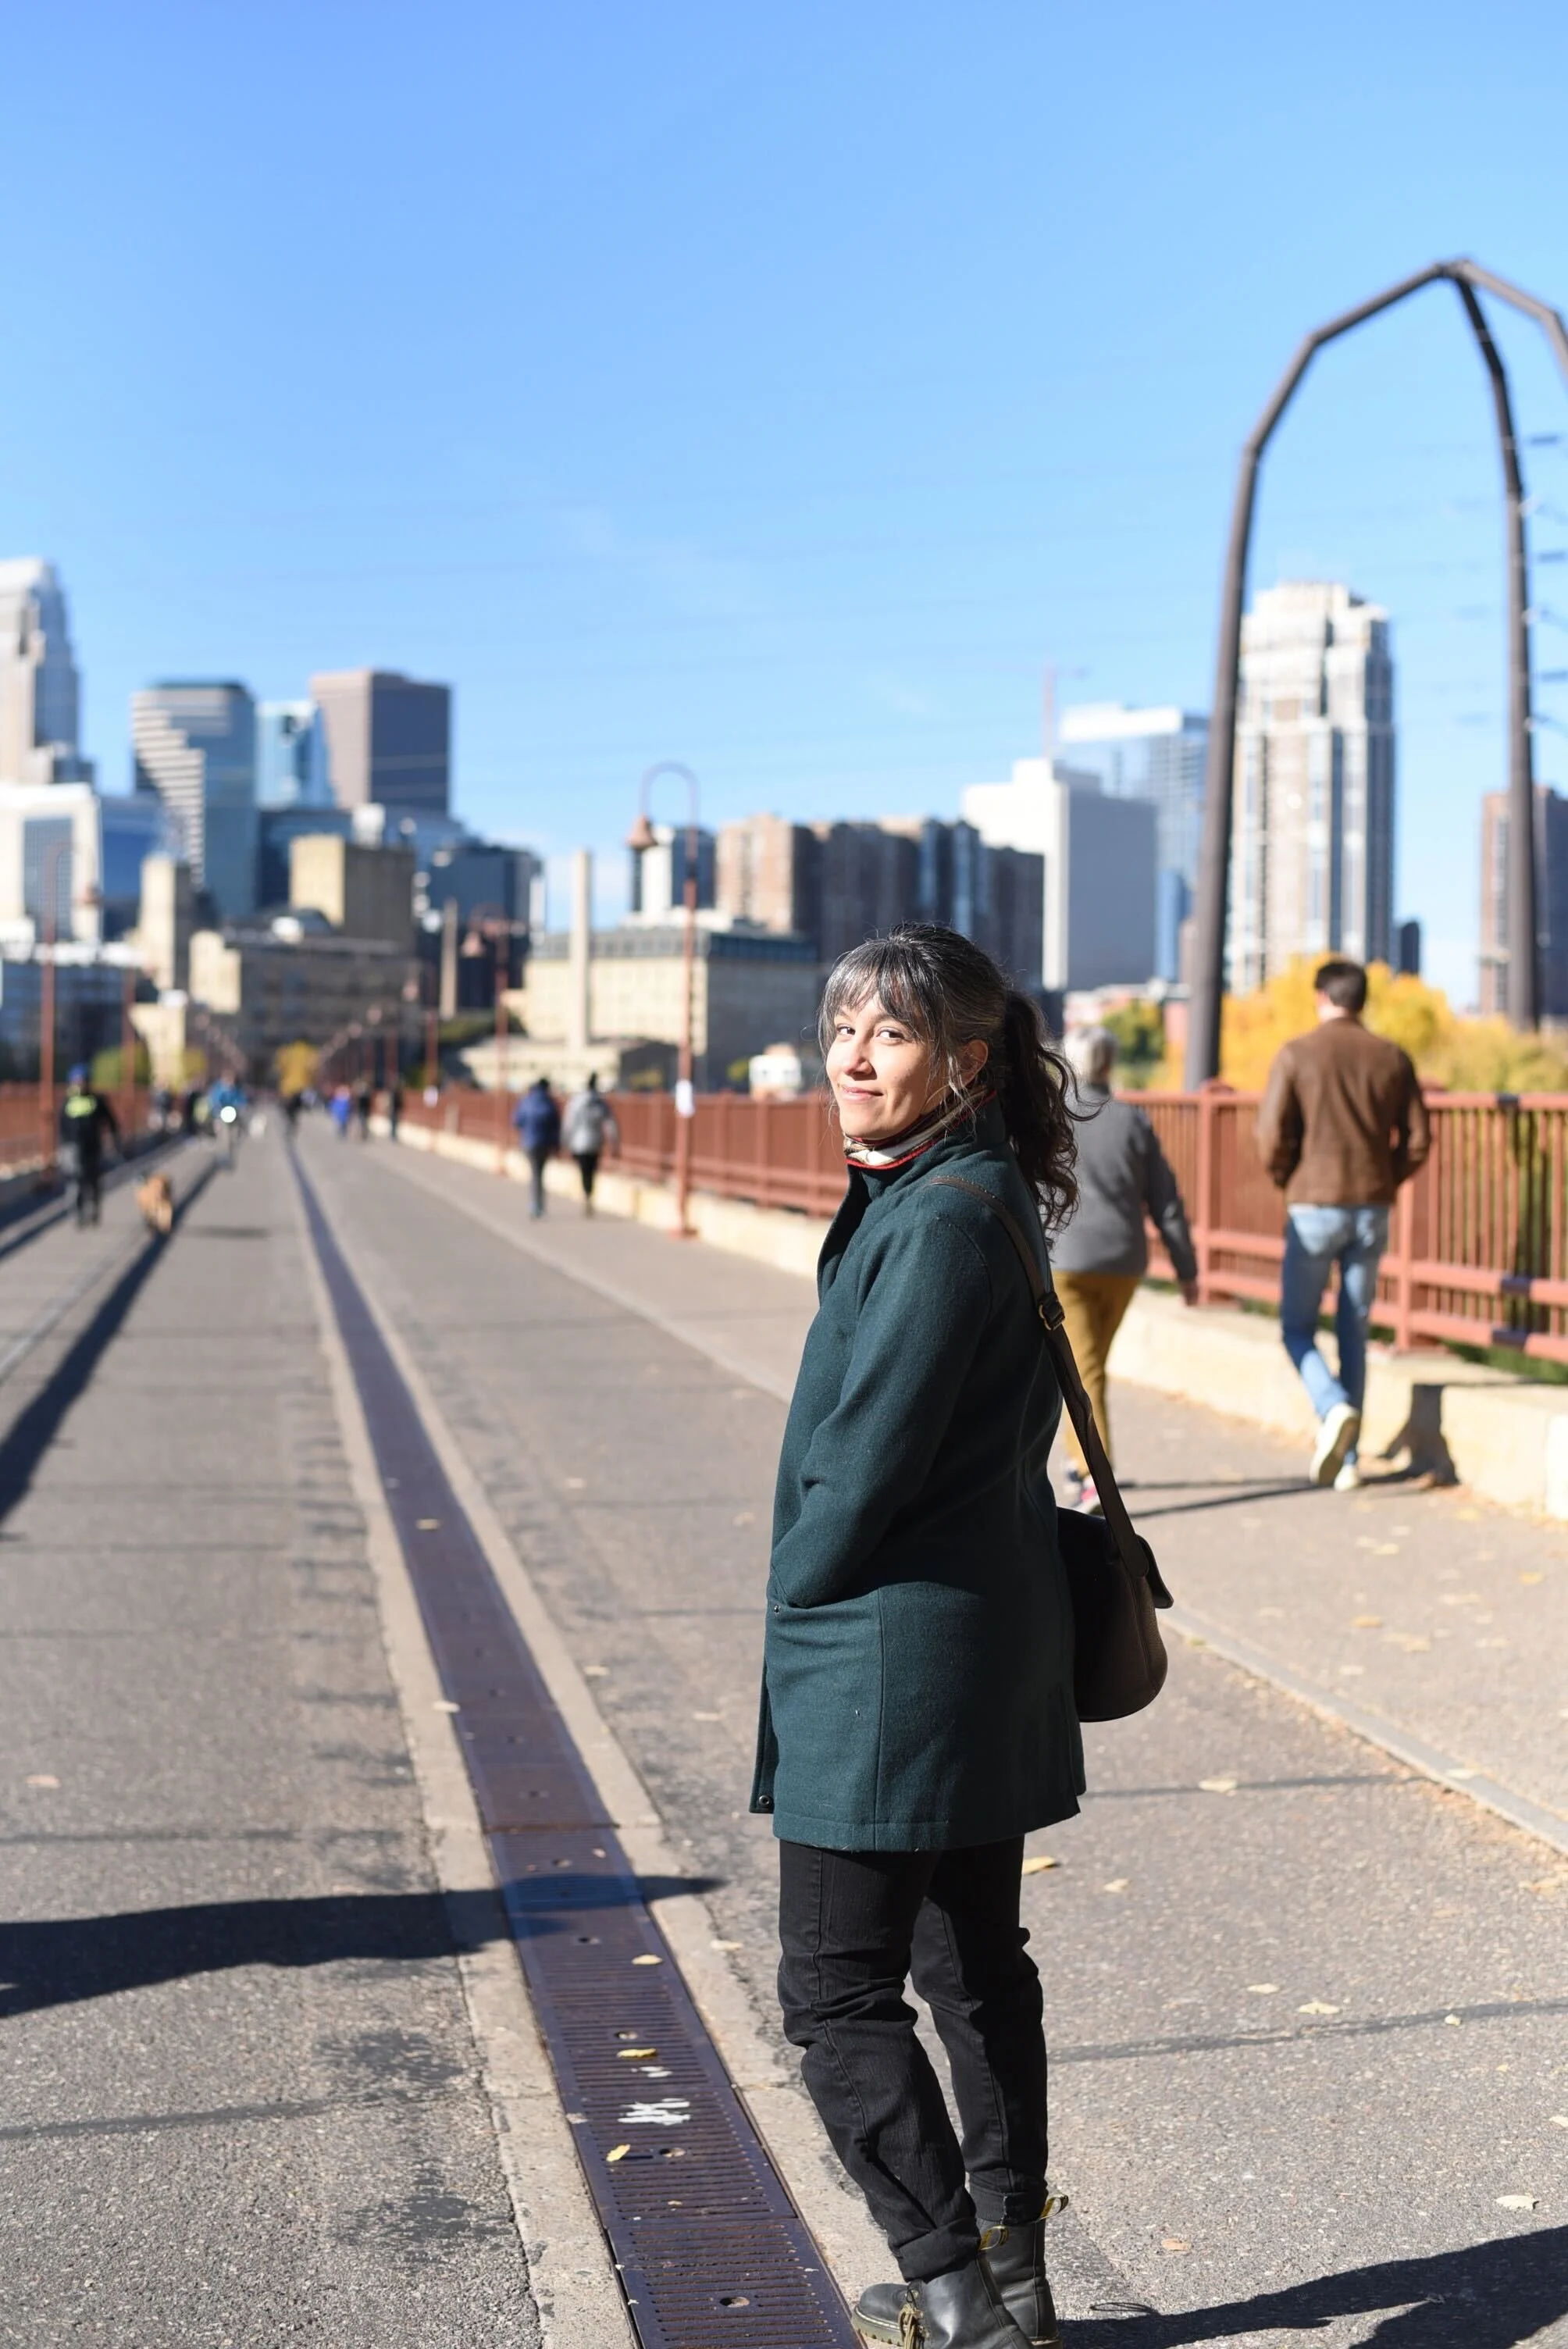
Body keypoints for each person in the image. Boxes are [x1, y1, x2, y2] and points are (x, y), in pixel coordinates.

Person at [751, 924, 1082, 2349]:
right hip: (972, 1649)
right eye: (839, 1029)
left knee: (834, 1989)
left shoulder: (938, 1216)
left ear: (964, 1057)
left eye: (884, 1034)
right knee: (968, 1964)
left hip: (889, 1662)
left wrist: (796, 1583)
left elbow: (867, 1461)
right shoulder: (963, 1189)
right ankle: (1008, 2268)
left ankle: (954, 2296)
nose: (848, 1057)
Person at [1256, 957, 1430, 1490]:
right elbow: (1419, 1140)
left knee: (1297, 1328)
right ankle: (1348, 1462)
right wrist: (1385, 1179)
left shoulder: (1297, 1053)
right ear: (1363, 1000)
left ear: (1320, 997)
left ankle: (1331, 1409)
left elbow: (1270, 1138)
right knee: (1355, 1330)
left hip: (1313, 1206)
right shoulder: (1392, 1057)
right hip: (1372, 1209)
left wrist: (1290, 1178)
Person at [1049, 1026, 1199, 1515]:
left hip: (1065, 1260)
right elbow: (1167, 1202)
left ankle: (1094, 1477)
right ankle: (1082, 1462)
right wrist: (1186, 1269)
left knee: (1081, 1370)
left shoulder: (1052, 1117)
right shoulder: (1133, 1122)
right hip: (1124, 1263)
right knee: (1089, 1366)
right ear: (1109, 1065)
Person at [59, 1065, 120, 1227]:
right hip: (72, 1147)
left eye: (82, 1081)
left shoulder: (97, 1100)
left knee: (93, 1181)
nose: (79, 1084)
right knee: (75, 1182)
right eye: (76, 1081)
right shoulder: (67, 1101)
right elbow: (61, 1126)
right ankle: (78, 1214)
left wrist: (113, 1138)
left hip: (93, 1146)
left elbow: (111, 1120)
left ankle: (93, 1209)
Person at [561, 1072, 619, 1214]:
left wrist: (565, 1142)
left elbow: (569, 1123)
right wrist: (615, 1143)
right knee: (592, 1171)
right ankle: (589, 1195)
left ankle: (586, 1195)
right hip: (595, 1142)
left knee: (584, 1170)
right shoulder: (601, 1102)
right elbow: (611, 1124)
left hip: (579, 1143)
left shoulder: (576, 1102)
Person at [512, 1077, 561, 1217]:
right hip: (545, 1144)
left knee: (535, 1174)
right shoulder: (550, 1103)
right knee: (540, 1174)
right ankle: (540, 1205)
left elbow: (516, 1121)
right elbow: (556, 1125)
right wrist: (556, 1145)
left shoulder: (526, 1101)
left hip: (529, 1142)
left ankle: (535, 1205)